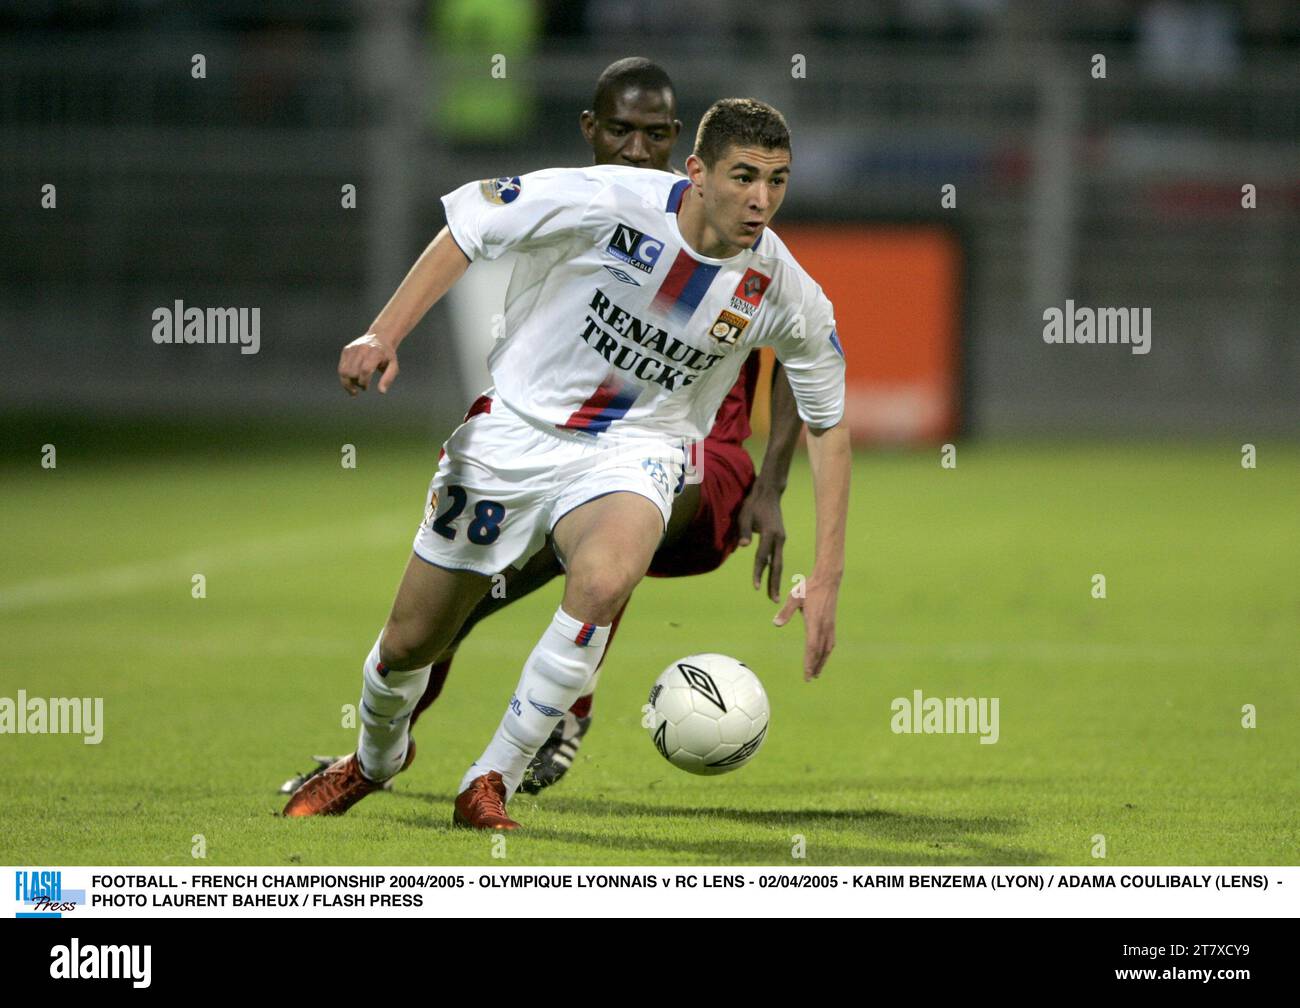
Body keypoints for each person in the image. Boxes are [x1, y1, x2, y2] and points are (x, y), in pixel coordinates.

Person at [283, 96, 850, 830]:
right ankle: (373, 759)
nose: (762, 199)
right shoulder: (610, 200)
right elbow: (468, 225)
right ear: (697, 172)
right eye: (745, 177)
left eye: (778, 180)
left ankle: (492, 779)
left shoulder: (783, 288)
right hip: (515, 433)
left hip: (637, 449)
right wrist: (381, 333)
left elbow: (830, 423)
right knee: (410, 642)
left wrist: (829, 575)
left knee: (606, 576)